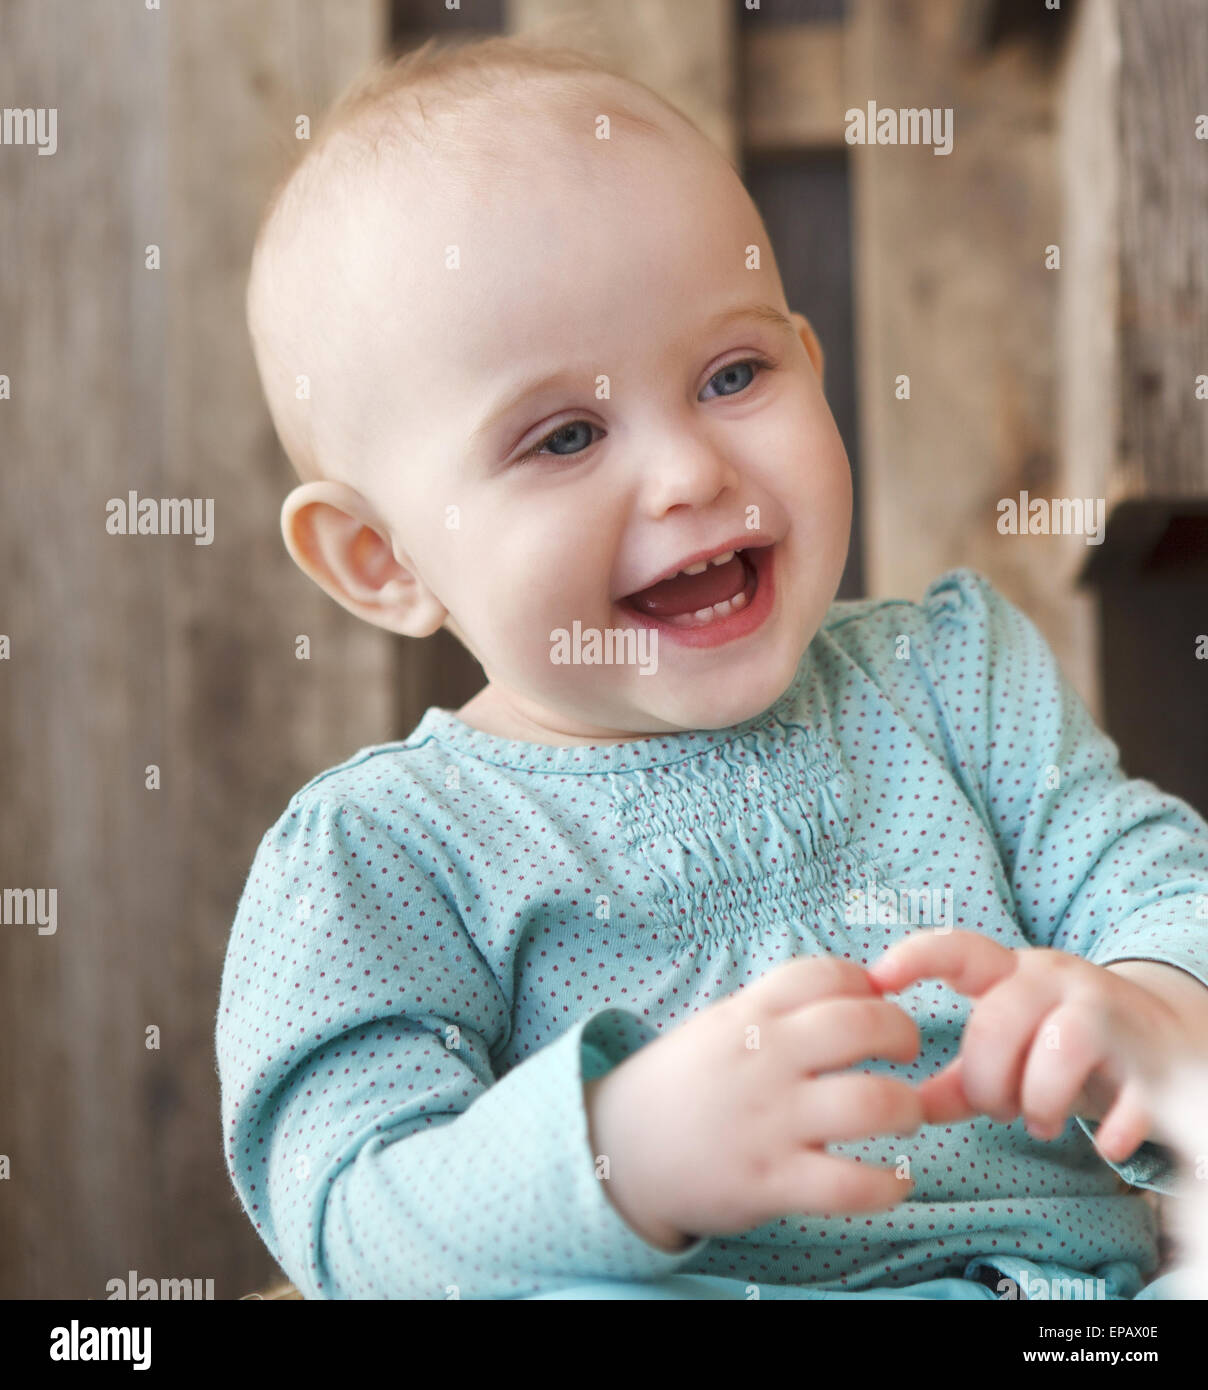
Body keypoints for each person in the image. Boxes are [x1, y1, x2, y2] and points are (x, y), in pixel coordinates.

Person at [216, 33, 1208, 1300]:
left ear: (809, 358)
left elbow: (1146, 873)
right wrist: (615, 1157)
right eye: (564, 436)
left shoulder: (951, 680)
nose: (689, 472)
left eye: (732, 374)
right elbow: (349, 1220)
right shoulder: (390, 853)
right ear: (380, 558)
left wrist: (1146, 1008)